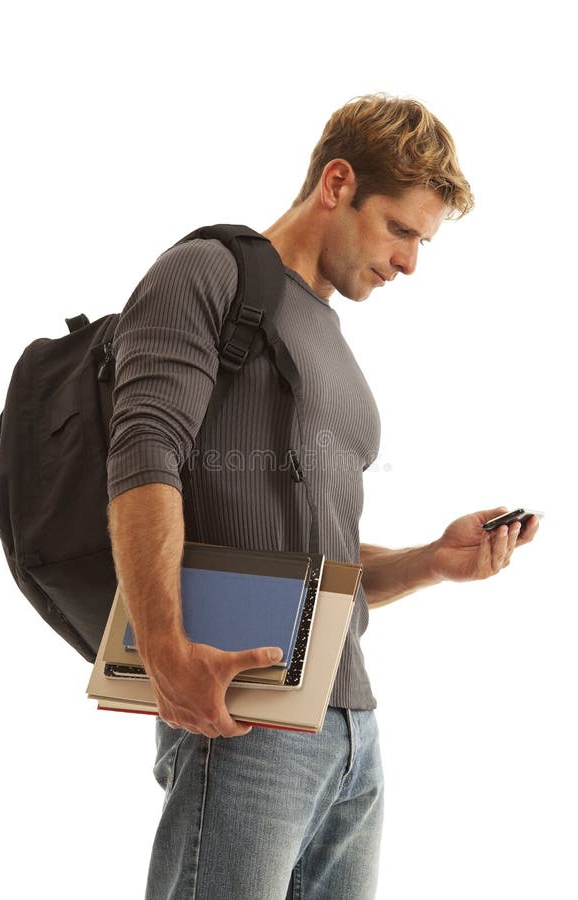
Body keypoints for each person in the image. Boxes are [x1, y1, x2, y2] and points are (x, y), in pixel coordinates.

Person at [106, 94, 539, 900]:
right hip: (244, 718)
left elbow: (314, 563)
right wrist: (166, 654)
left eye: (423, 241)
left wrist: (430, 562)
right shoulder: (210, 273)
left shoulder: (327, 337)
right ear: (337, 183)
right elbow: (143, 457)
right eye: (401, 230)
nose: (411, 261)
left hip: (352, 732)